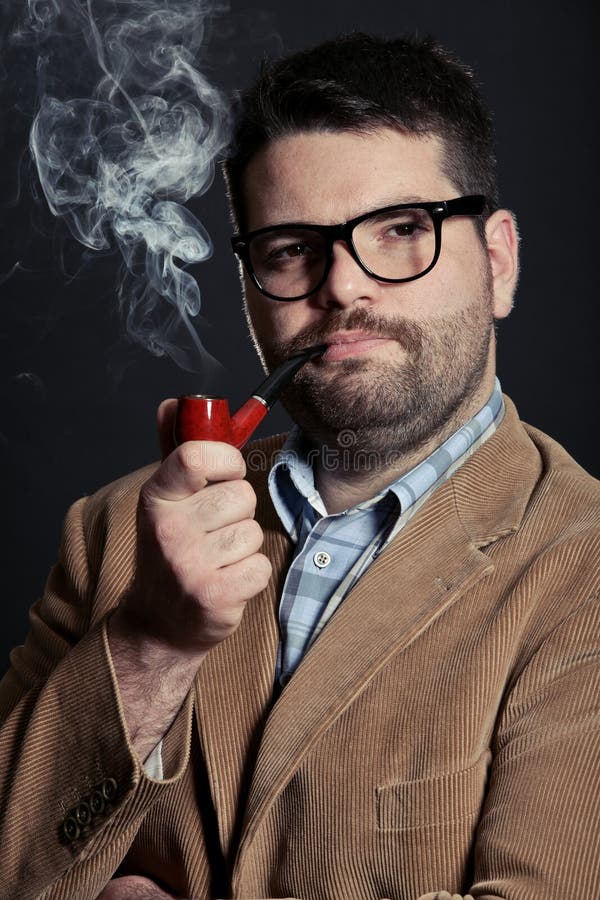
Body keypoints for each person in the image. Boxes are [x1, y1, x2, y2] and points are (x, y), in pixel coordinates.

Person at [1, 32, 598, 900]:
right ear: (250, 286)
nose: (345, 286)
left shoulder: (582, 566)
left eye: (401, 231)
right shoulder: (112, 533)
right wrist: (151, 646)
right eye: (290, 249)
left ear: (499, 261)